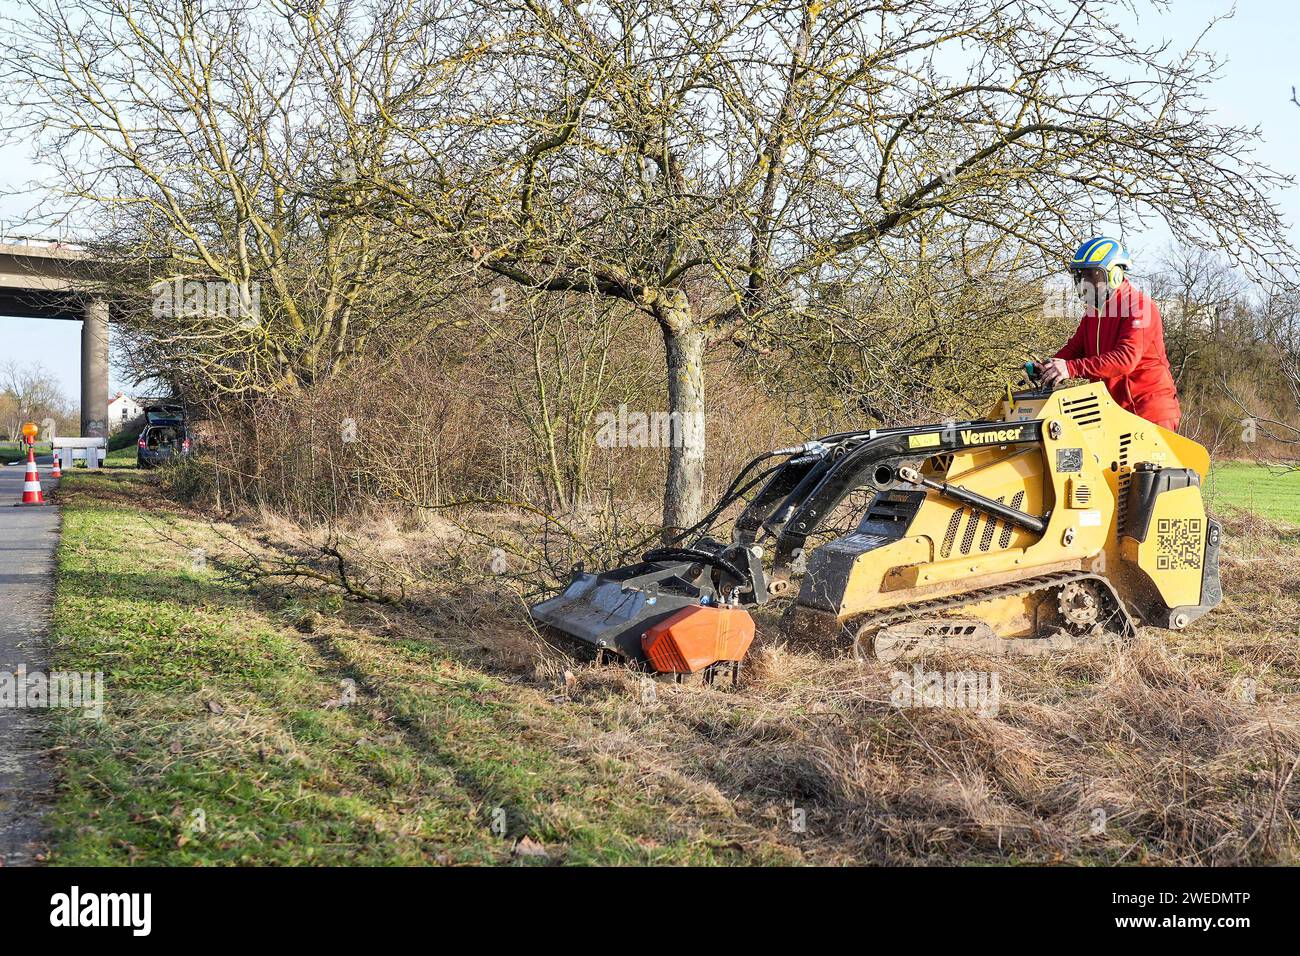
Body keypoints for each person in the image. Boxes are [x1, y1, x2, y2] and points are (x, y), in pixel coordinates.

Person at [1038, 236, 1181, 431]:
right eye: (1081, 276)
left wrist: (1070, 369)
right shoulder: (1094, 311)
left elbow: (1126, 359)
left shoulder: (1139, 307)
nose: (1085, 282)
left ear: (1114, 274)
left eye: (1092, 275)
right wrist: (1050, 367)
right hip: (1113, 412)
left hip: (1148, 412)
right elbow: (1076, 348)